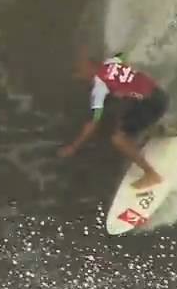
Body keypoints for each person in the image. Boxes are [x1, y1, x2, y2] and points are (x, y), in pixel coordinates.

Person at [57, 52, 169, 189]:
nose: (78, 78)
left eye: (79, 73)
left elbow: (93, 122)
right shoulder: (111, 62)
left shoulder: (99, 87)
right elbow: (123, 53)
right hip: (160, 94)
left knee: (118, 139)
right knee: (127, 111)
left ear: (90, 69)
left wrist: (73, 147)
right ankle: (160, 128)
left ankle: (151, 174)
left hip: (152, 105)